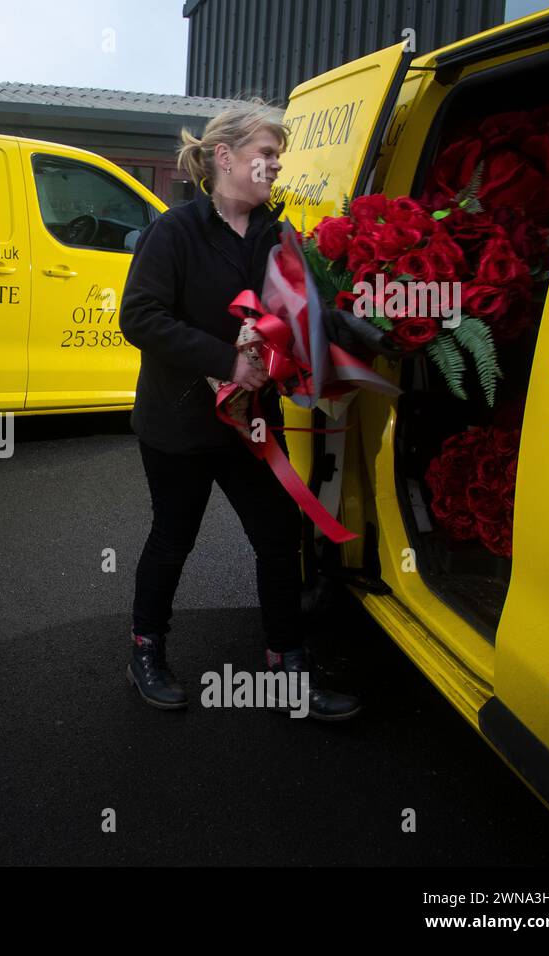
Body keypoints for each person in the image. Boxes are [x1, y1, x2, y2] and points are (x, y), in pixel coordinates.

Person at [118, 102, 397, 720]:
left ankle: (287, 660)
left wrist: (360, 332)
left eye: (277, 156)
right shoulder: (177, 230)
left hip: (254, 422)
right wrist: (225, 357)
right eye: (262, 155)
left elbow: (304, 311)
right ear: (224, 158)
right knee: (174, 537)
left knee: (278, 536)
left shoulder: (278, 234)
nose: (273, 165)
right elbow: (139, 317)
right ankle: (147, 649)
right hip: (181, 420)